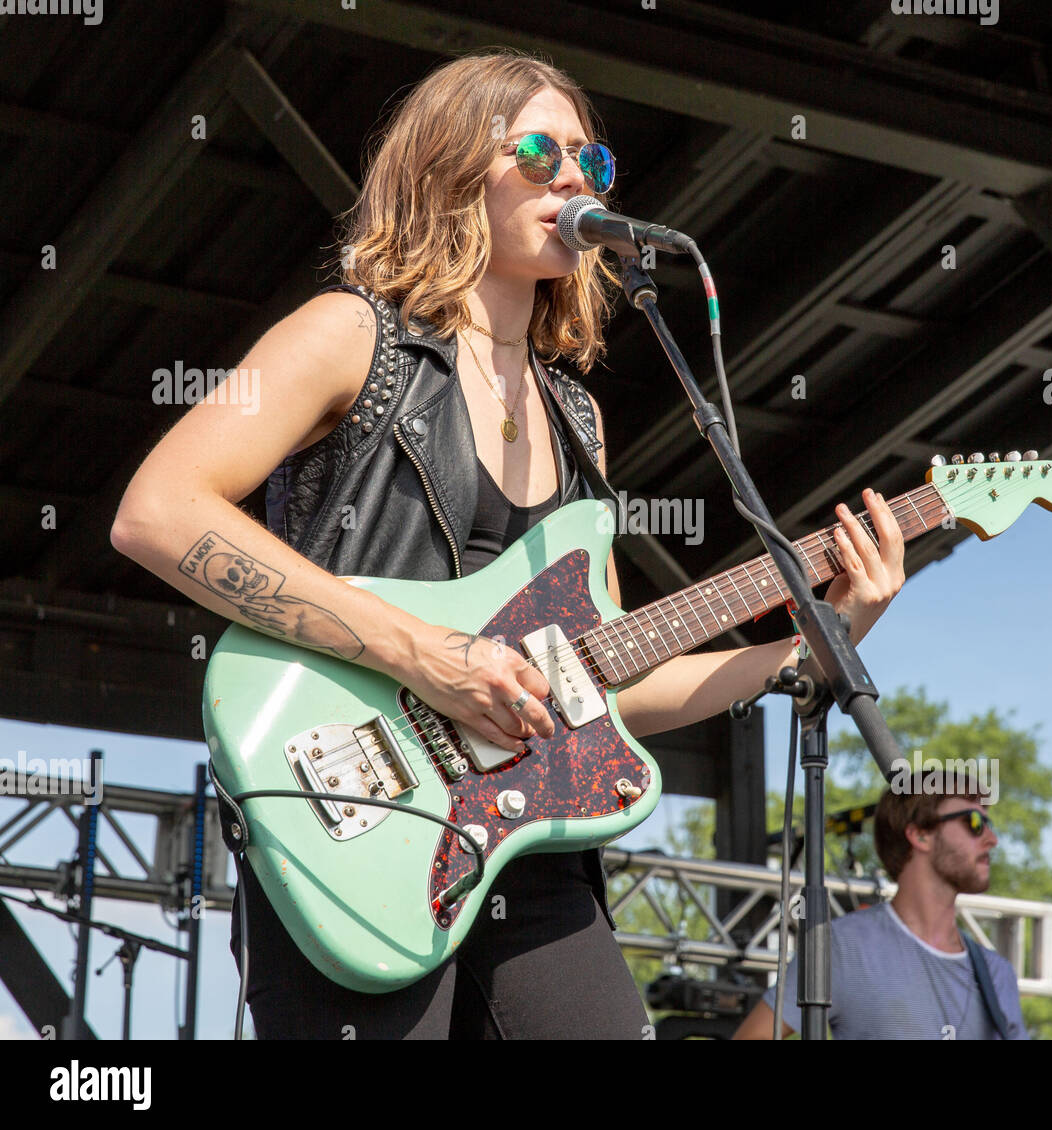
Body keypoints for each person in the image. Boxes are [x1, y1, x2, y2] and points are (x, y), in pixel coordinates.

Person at [110, 48, 907, 1039]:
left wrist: (811, 645)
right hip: (357, 824)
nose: (574, 177)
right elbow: (159, 511)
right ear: (449, 168)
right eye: (539, 153)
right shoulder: (348, 336)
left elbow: (606, 681)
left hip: (532, 844)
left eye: (591, 160)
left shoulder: (579, 416)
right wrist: (429, 655)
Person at [733, 778, 1028, 1039]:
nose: (992, 839)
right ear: (920, 835)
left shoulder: (995, 973)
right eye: (974, 823)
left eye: (988, 825)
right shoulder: (842, 947)